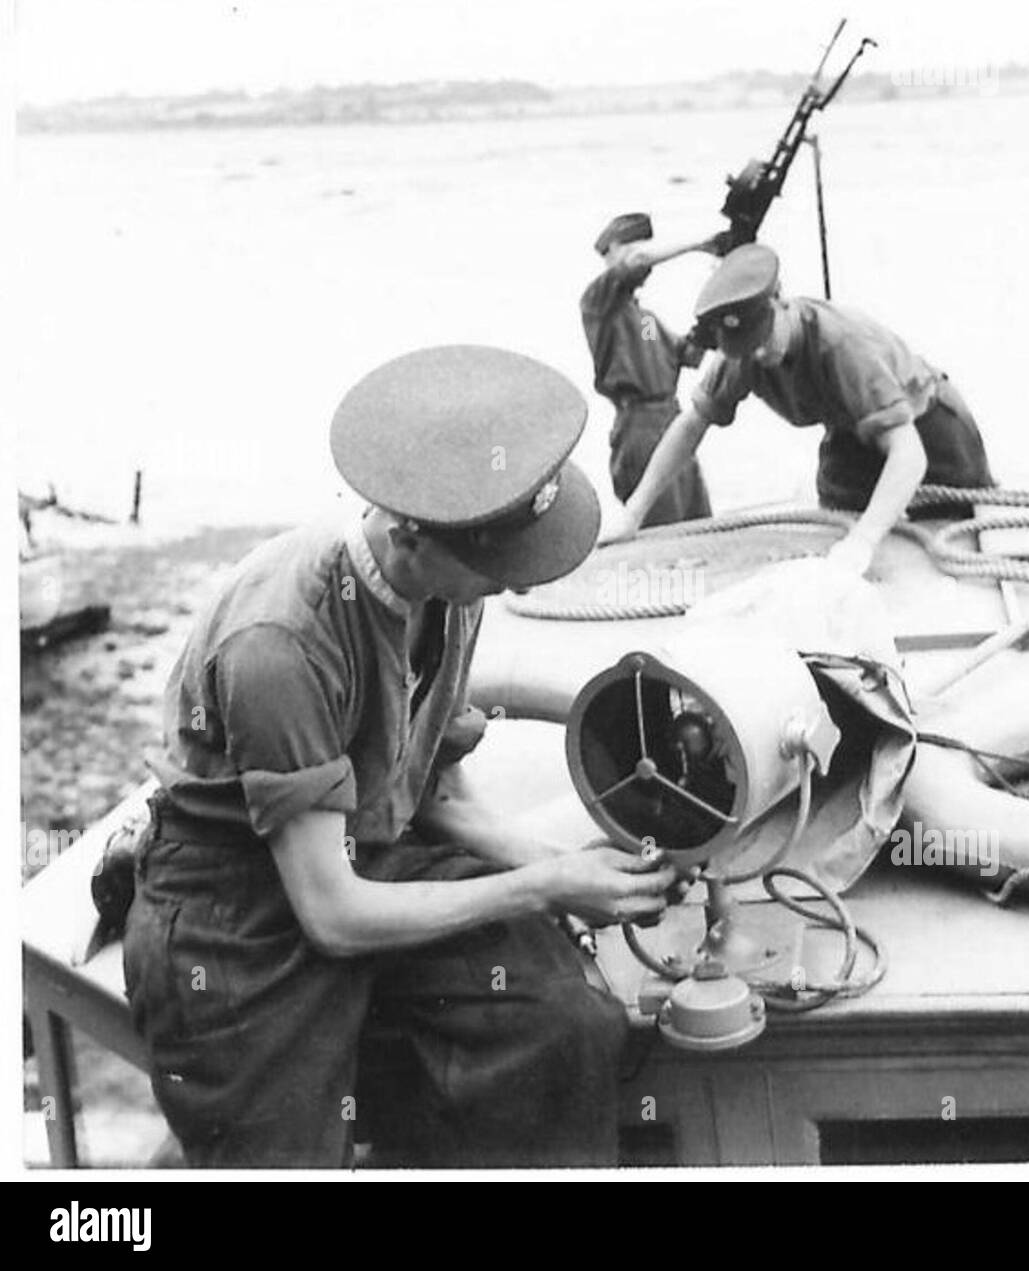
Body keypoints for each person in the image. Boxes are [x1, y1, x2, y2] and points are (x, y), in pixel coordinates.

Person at [123, 346, 681, 1168]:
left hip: (366, 852)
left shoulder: (446, 587)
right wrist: (546, 885)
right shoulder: (279, 644)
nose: (507, 587)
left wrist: (569, 864)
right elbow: (334, 915)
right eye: (494, 569)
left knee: (563, 1022)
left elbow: (435, 792)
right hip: (234, 914)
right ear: (409, 536)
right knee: (283, 1156)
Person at [605, 243, 995, 576]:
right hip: (851, 432)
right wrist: (634, 513)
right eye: (747, 348)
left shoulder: (841, 345)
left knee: (946, 552)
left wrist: (863, 542)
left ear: (780, 303)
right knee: (834, 528)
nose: (760, 354)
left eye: (762, 340)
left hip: (929, 430)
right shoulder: (726, 349)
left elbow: (908, 454)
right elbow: (691, 426)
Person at [581, 212, 724, 526]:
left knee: (699, 524)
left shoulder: (644, 319)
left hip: (673, 422)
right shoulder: (598, 305)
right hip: (639, 429)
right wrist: (700, 243)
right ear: (616, 249)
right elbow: (638, 260)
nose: (647, 261)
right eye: (634, 248)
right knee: (662, 528)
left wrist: (716, 308)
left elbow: (689, 354)